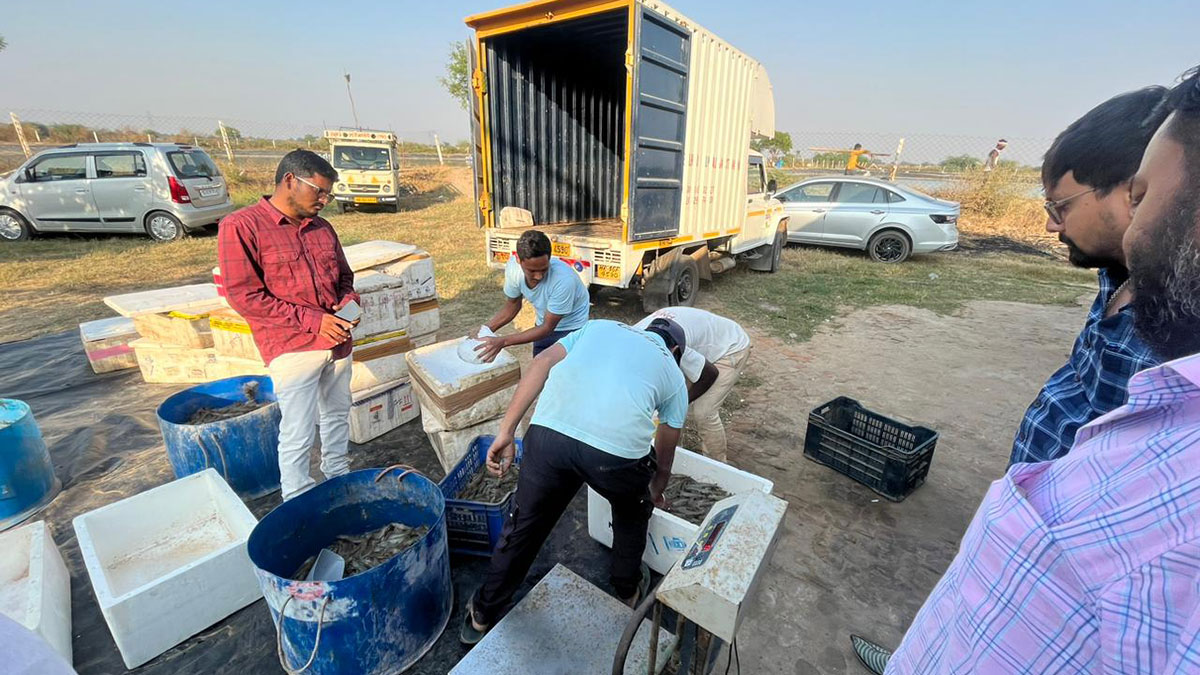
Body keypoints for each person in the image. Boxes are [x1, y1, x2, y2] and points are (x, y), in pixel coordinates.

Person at [879, 65, 1200, 674]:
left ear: (1129, 191)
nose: (1051, 224)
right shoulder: (1124, 279)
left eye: (1060, 205)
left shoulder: (1174, 327)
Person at [460, 318, 690, 644]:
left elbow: (541, 361)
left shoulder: (598, 327)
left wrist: (507, 430)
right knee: (631, 513)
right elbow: (667, 442)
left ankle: (482, 614)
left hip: (548, 438)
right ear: (675, 349)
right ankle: (626, 590)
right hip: (615, 458)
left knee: (524, 525)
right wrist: (655, 488)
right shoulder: (672, 371)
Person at [218, 150, 359, 501]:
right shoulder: (242, 227)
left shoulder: (322, 228)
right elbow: (245, 296)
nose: (325, 201)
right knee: (297, 430)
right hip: (292, 347)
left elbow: (344, 275)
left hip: (338, 341)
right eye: (320, 192)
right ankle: (298, 499)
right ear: (290, 181)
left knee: (338, 415)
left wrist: (347, 300)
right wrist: (315, 322)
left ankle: (339, 479)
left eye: (329, 194)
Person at [634, 307, 750, 463]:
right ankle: (673, 455)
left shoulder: (673, 347)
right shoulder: (632, 339)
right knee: (669, 406)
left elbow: (709, 374)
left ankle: (717, 466)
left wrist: (679, 403)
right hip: (698, 341)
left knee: (704, 412)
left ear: (673, 352)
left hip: (729, 347)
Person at [474, 229, 590, 362]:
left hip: (571, 330)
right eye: (532, 270)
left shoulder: (564, 280)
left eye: (543, 269)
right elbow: (512, 306)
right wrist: (485, 330)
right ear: (519, 260)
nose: (539, 276)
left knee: (564, 377)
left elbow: (547, 327)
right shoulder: (514, 270)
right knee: (540, 374)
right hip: (541, 326)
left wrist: (503, 341)